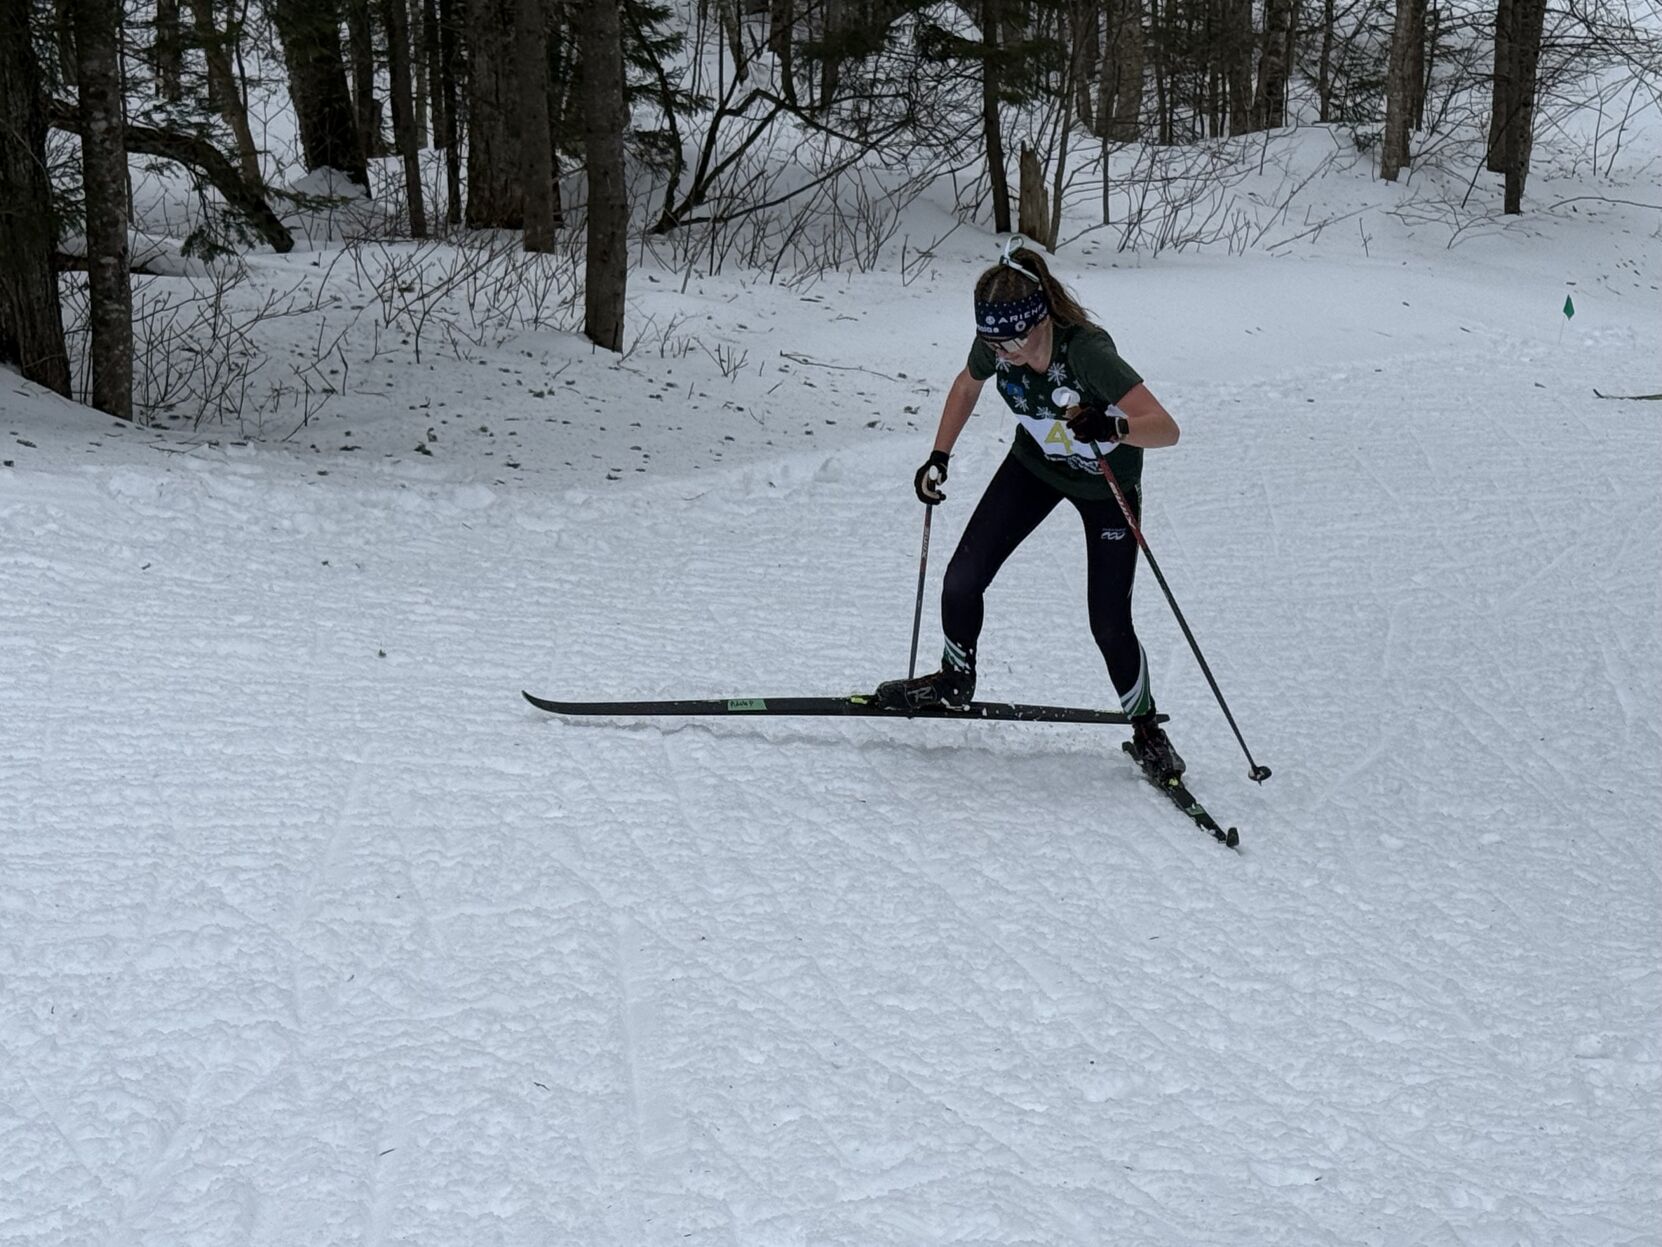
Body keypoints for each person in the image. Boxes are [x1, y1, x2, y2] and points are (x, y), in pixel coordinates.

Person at [874, 236, 1186, 780]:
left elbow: (1166, 429)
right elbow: (966, 386)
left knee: (1109, 622)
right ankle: (954, 680)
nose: (1005, 354)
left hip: (1105, 486)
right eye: (993, 344)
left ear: (1039, 319)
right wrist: (939, 455)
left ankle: (1146, 730)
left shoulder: (1086, 353)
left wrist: (1113, 426)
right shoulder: (998, 343)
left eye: (1013, 340)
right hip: (1035, 468)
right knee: (961, 579)